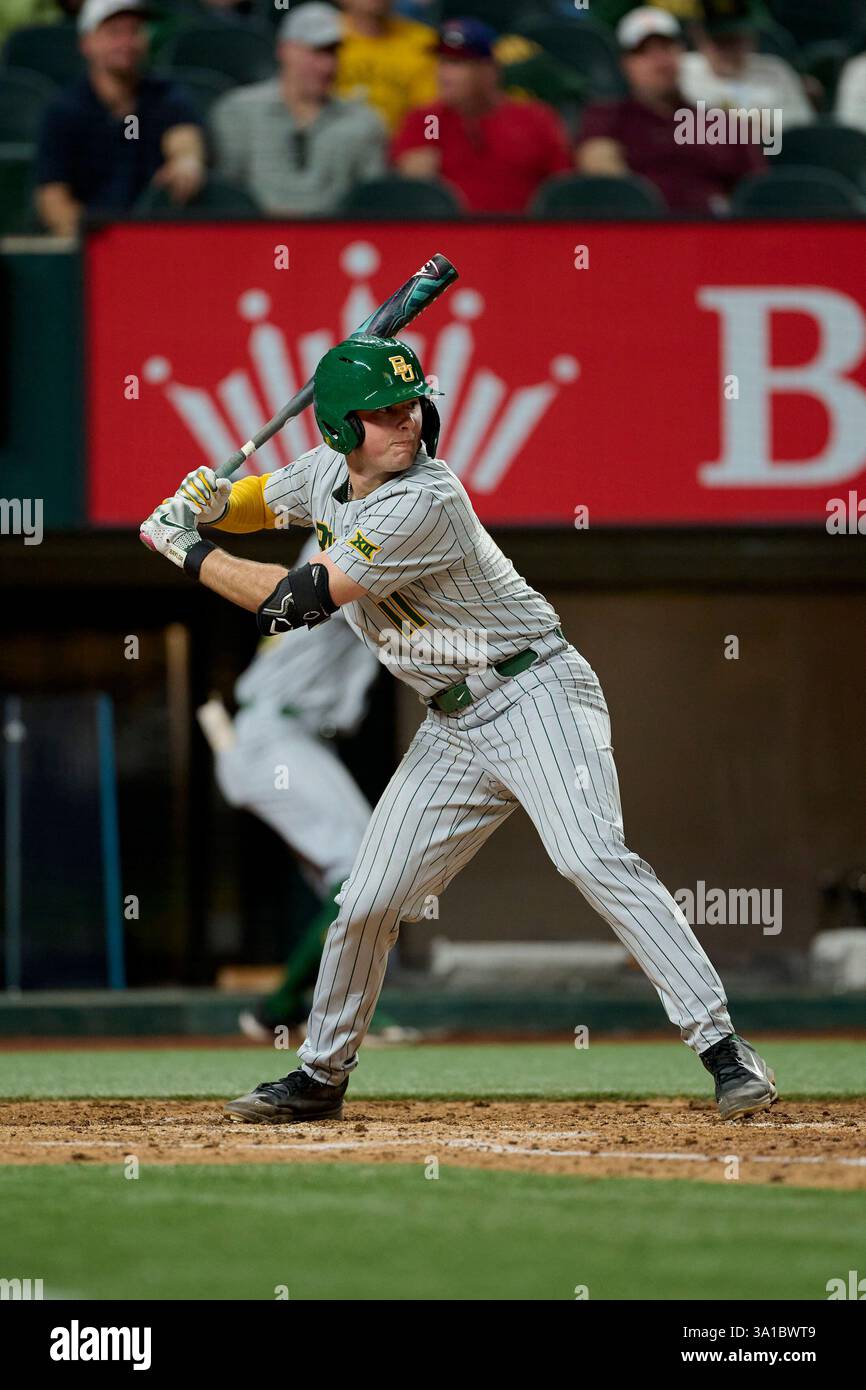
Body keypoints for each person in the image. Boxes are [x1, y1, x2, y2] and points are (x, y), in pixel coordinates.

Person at [140, 334, 779, 1126]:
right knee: (368, 899)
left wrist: (185, 545)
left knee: (589, 854)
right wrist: (211, 502)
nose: (406, 422)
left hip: (535, 689)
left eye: (410, 405)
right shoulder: (325, 473)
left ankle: (723, 1047)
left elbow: (295, 599)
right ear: (341, 429)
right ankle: (320, 1075)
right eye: (383, 412)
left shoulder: (426, 498)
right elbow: (261, 500)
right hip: (451, 723)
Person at [194, 530, 410, 1043]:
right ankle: (279, 1008)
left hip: (298, 740)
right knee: (366, 872)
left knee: (367, 884)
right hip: (273, 738)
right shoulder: (334, 565)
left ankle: (330, 1011)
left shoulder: (354, 558)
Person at [34, 0, 204, 236]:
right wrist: (98, 241)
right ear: (87, 43)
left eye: (134, 31)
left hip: (158, 237)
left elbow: (184, 138)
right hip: (95, 244)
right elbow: (53, 198)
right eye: (114, 33)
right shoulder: (64, 110)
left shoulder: (165, 96)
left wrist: (186, 160)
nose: (126, 43)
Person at [577, 6, 765, 215]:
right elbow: (602, 173)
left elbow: (756, 194)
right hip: (642, 233)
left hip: (714, 234)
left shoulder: (721, 123)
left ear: (682, 53)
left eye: (667, 47)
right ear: (626, 64)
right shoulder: (607, 118)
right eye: (644, 52)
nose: (659, 61)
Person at [209, 2, 386, 216]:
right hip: (254, 239)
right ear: (285, 50)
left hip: (333, 241)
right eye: (316, 52)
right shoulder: (238, 111)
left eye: (333, 53)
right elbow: (224, 197)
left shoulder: (363, 121)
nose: (327, 66)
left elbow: (373, 207)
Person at [391, 18, 573, 215]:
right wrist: (418, 182)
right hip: (449, 239)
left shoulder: (535, 118)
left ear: (489, 70)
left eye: (457, 63)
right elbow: (411, 197)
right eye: (442, 62)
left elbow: (562, 191)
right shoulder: (424, 120)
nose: (444, 73)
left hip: (523, 237)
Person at [679, 0, 813, 129]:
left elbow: (802, 126)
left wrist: (764, 124)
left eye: (736, 39)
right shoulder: (681, 71)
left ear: (751, 38)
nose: (729, 48)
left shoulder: (776, 71)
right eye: (720, 40)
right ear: (699, 38)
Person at [335, 0, 437, 133]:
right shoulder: (320, 38)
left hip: (400, 148)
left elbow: (433, 112)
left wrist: (430, 141)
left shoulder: (423, 42)